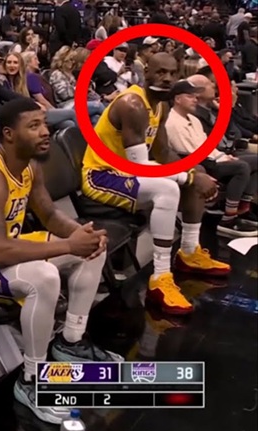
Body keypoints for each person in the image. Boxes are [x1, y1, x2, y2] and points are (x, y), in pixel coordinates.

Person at [0, 98, 120, 425]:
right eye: (33, 126)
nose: (45, 131)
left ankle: (71, 343)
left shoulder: (29, 165)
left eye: (44, 123)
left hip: (3, 249)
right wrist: (68, 245)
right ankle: (31, 379)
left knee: (93, 248)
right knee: (44, 277)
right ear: (8, 134)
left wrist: (80, 235)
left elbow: (49, 214)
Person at [80, 52, 230, 316]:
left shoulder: (160, 105)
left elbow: (163, 153)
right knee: (168, 188)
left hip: (126, 174)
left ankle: (189, 252)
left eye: (172, 73)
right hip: (101, 175)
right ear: (146, 71)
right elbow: (139, 166)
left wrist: (193, 171)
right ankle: (160, 278)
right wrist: (190, 177)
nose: (167, 78)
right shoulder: (132, 104)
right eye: (160, 72)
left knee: (194, 171)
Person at [164, 80, 257, 237]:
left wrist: (222, 156)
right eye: (190, 96)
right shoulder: (171, 123)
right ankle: (228, 219)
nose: (195, 100)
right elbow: (189, 152)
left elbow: (206, 145)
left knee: (255, 160)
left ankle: (243, 208)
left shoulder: (193, 119)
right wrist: (220, 159)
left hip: (211, 158)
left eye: (195, 97)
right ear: (178, 99)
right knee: (241, 167)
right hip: (197, 164)